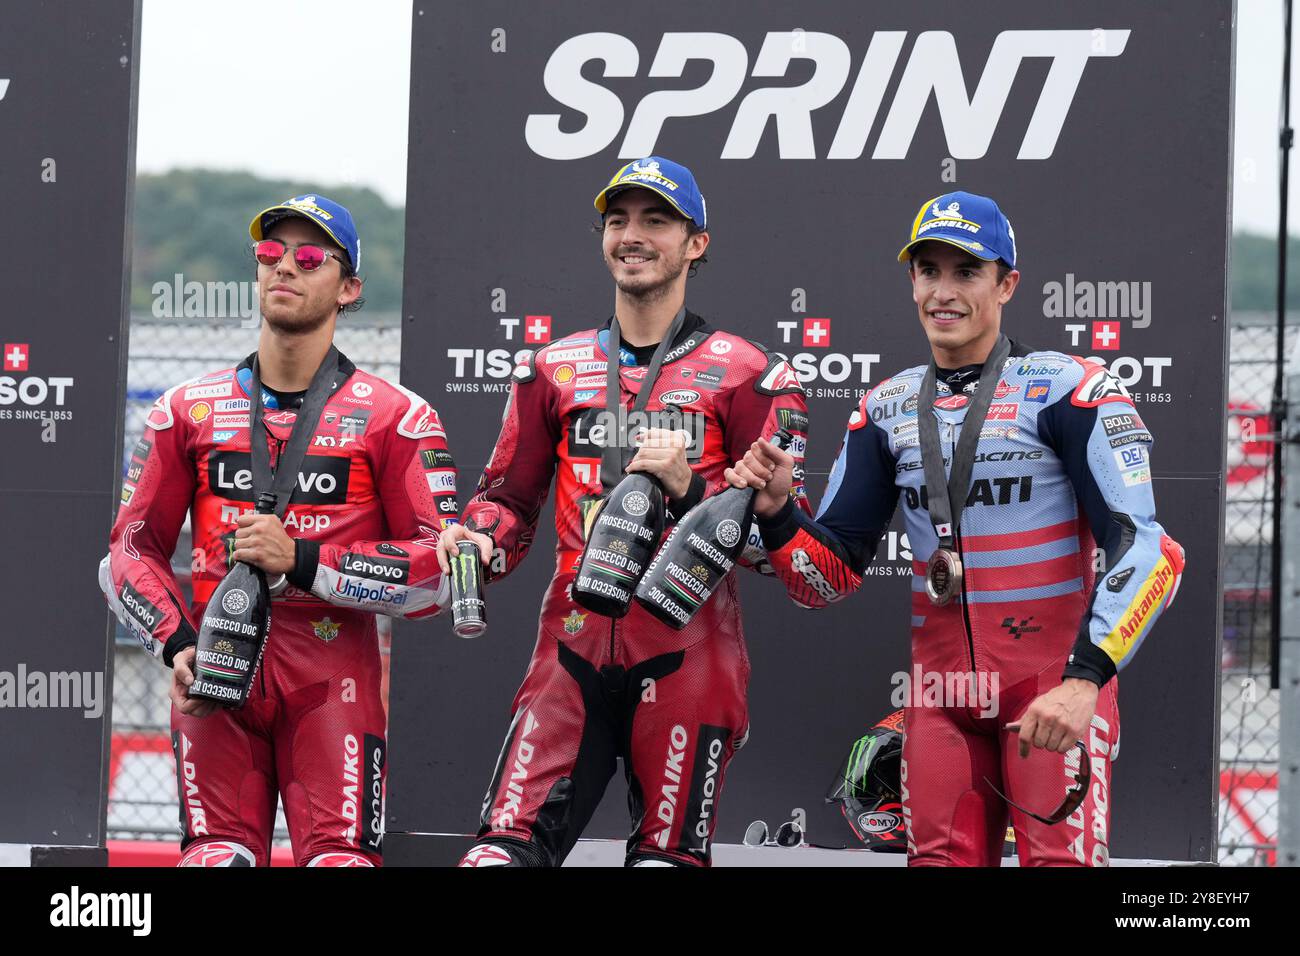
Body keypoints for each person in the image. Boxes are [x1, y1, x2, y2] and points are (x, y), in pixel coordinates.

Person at [726, 191, 1185, 866]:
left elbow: (1151, 551)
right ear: (911, 279)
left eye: (966, 272)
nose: (943, 290)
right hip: (940, 699)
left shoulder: (1069, 388)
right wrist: (777, 512)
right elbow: (825, 580)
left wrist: (1085, 680)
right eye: (928, 269)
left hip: (1050, 692)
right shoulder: (882, 409)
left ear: (1006, 284)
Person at [439, 157, 811, 867]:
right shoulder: (553, 367)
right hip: (568, 650)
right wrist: (482, 543)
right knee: (496, 857)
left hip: (688, 657)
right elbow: (507, 503)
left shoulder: (751, 374)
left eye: (656, 220)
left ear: (696, 242)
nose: (633, 236)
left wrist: (693, 495)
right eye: (619, 221)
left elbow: (792, 556)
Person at [99, 194, 458, 867]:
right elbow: (127, 550)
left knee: (340, 862)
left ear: (349, 289)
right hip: (216, 670)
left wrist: (303, 559)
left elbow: (439, 574)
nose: (283, 268)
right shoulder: (187, 408)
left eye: (309, 257)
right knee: (214, 860)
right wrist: (177, 644)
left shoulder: (397, 417)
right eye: (269, 254)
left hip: (331, 680)